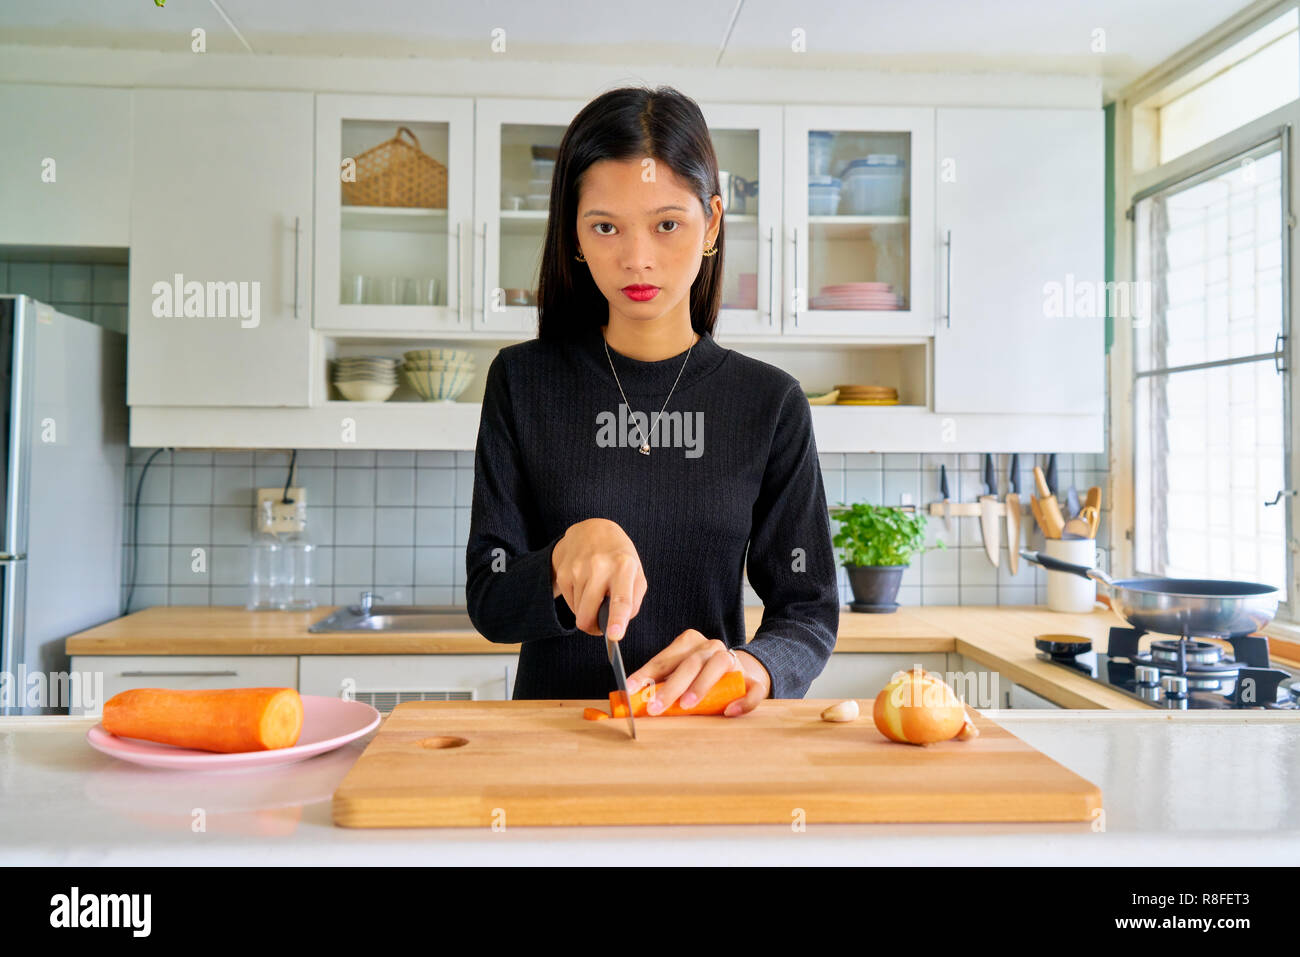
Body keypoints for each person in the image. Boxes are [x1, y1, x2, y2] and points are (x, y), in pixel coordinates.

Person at [466, 85, 838, 716]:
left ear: (712, 222)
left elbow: (807, 610)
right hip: (551, 743)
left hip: (704, 735)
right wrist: (561, 558)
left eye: (668, 224)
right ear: (575, 236)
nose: (637, 260)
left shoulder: (769, 403)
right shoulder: (522, 383)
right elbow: (492, 598)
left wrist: (752, 664)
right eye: (606, 226)